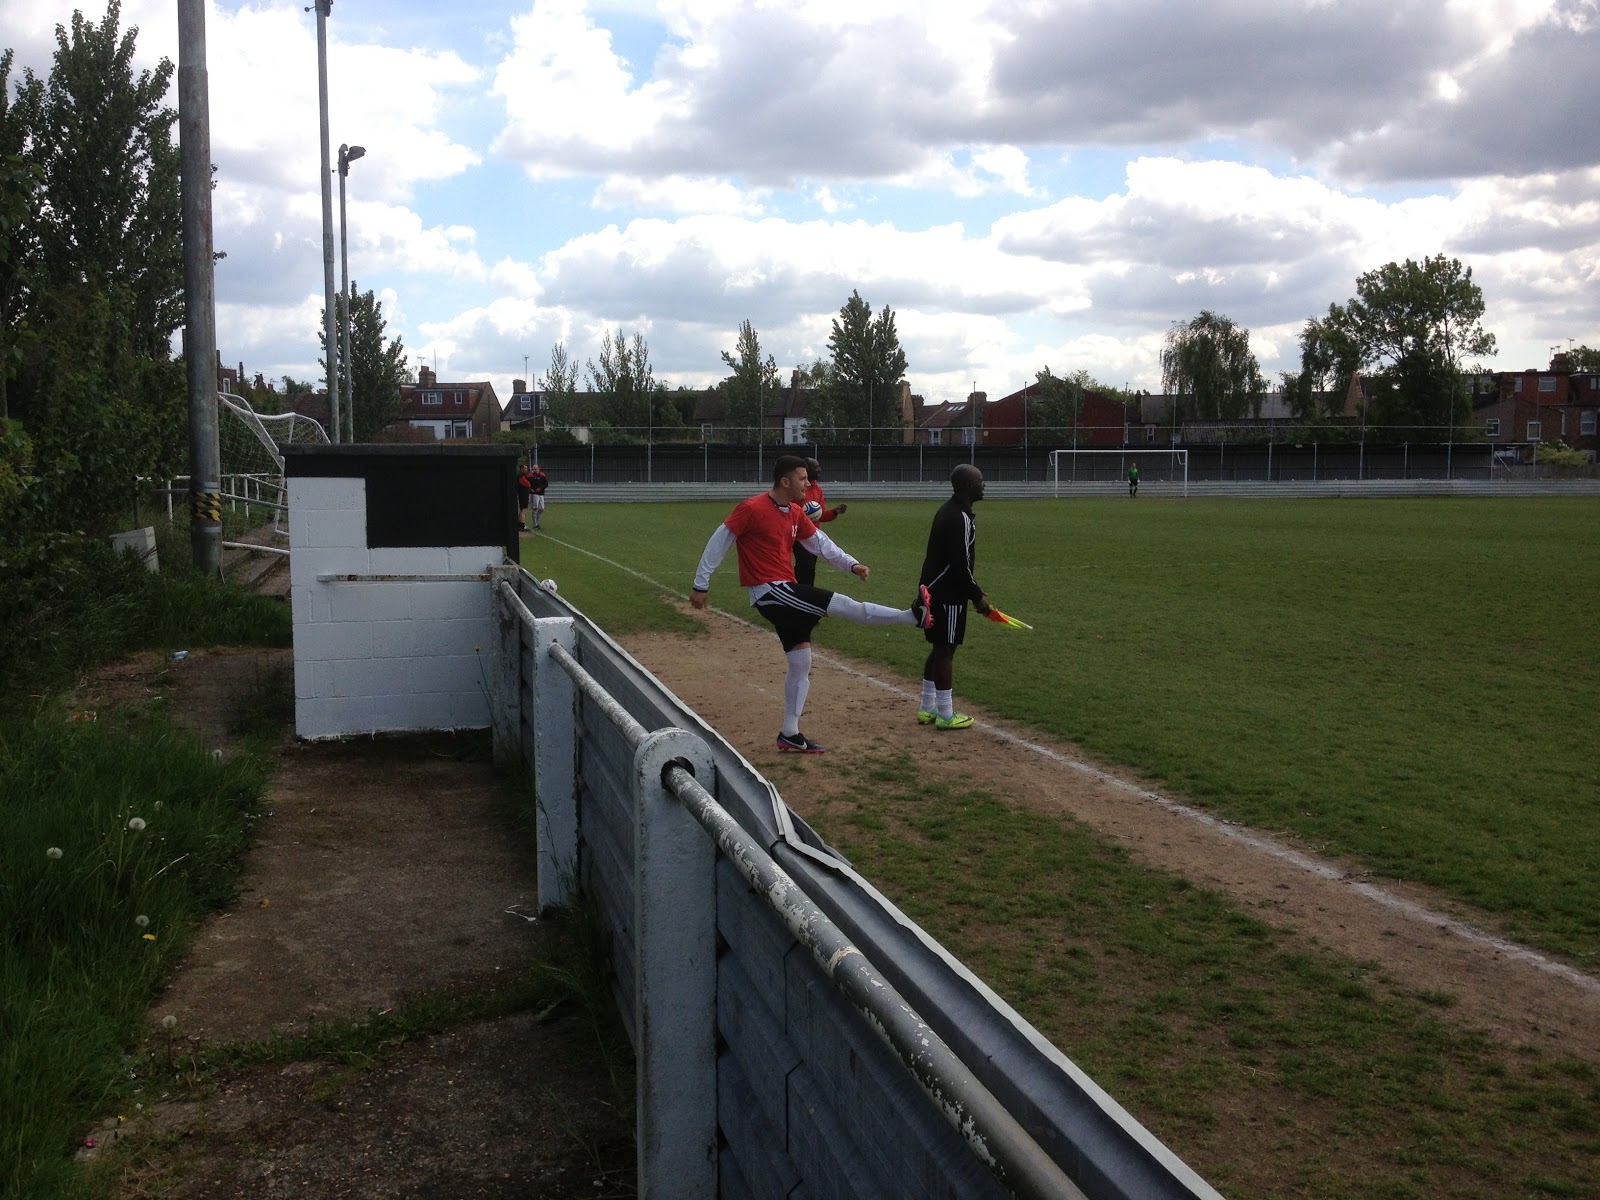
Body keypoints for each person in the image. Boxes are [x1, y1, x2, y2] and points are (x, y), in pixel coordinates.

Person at [692, 455, 931, 754]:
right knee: (844, 605)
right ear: (785, 481)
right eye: (803, 478)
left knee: (801, 661)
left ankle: (789, 733)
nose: (808, 484)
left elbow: (819, 543)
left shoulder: (794, 512)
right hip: (771, 591)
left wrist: (851, 564)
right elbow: (719, 542)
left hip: (782, 589)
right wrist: (701, 584)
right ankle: (912, 616)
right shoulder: (751, 508)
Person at [916, 464, 991, 731]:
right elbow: (960, 565)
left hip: (935, 590)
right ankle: (946, 714)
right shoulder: (958, 517)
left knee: (939, 648)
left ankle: (927, 708)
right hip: (947, 594)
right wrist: (977, 596)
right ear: (967, 486)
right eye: (980, 480)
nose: (984, 484)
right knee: (945, 650)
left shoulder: (950, 511)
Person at [792, 456, 848, 585]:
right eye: (816, 467)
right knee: (806, 566)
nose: (819, 470)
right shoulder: (797, 489)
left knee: (809, 569)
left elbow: (821, 516)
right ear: (807, 470)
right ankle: (801, 592)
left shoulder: (818, 489)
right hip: (799, 536)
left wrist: (835, 512)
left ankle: (800, 591)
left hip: (813, 535)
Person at [528, 462, 549, 528]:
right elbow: (528, 484)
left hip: (541, 494)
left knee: (541, 509)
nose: (534, 470)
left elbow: (546, 484)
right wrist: (530, 489)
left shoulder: (542, 475)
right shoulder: (530, 476)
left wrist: (541, 488)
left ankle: (537, 522)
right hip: (534, 494)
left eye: (535, 469)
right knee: (535, 508)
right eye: (533, 469)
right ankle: (535, 524)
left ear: (539, 469)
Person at [516, 463, 533, 531]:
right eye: (525, 468)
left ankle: (519, 524)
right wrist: (529, 484)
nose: (526, 469)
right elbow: (527, 484)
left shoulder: (521, 476)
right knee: (524, 509)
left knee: (522, 509)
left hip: (522, 494)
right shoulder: (520, 476)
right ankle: (522, 525)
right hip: (523, 494)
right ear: (521, 469)